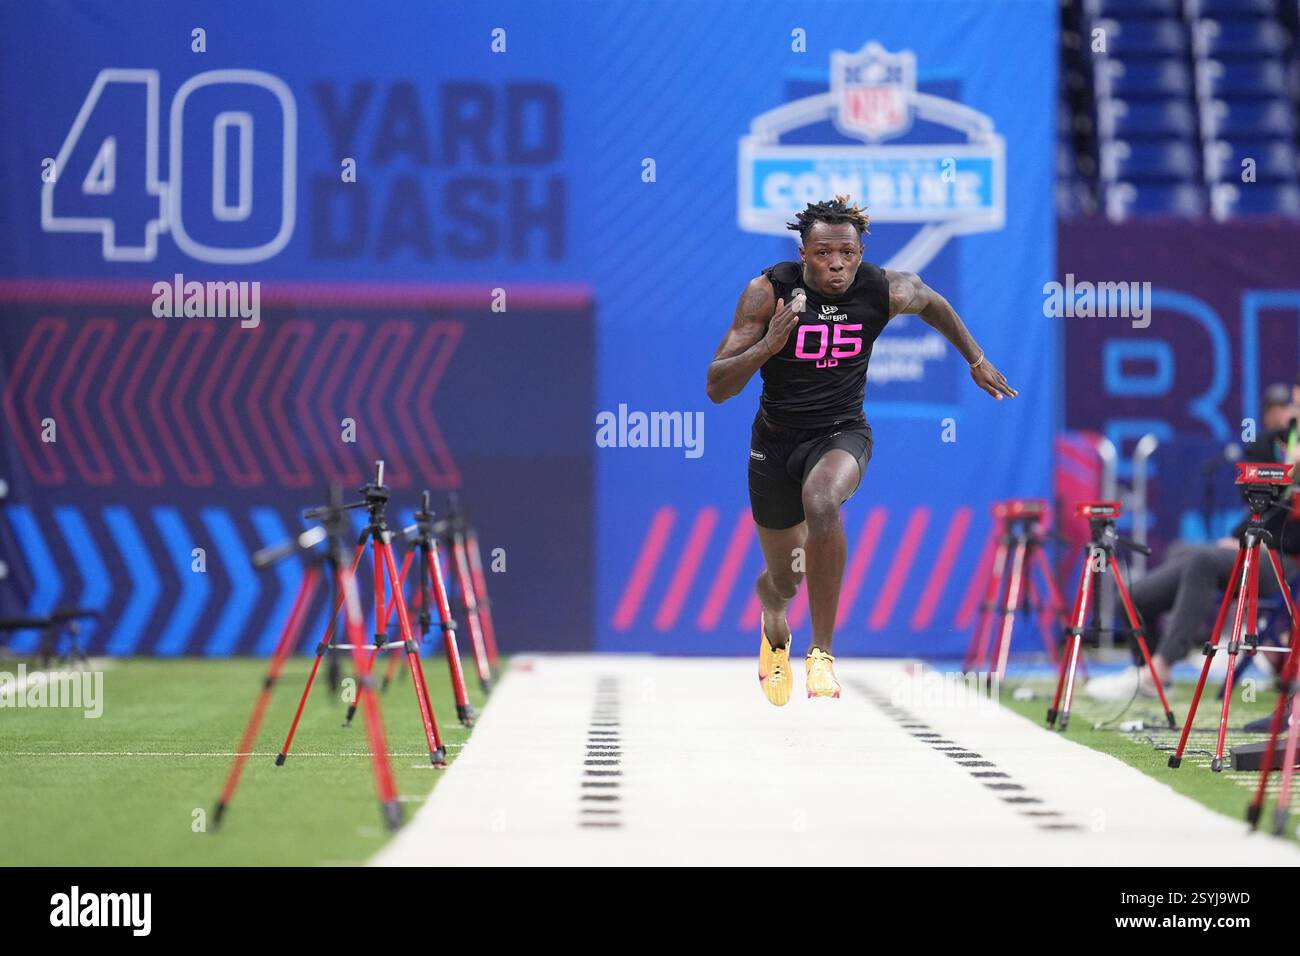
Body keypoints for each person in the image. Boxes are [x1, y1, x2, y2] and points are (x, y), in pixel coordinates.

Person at [705, 195, 1016, 705]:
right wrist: (767, 346)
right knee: (784, 579)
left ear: (860, 250)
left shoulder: (885, 287)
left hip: (842, 432)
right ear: (803, 252)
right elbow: (717, 387)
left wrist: (975, 359)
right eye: (824, 253)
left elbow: (933, 303)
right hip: (775, 443)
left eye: (847, 252)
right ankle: (774, 616)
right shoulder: (768, 292)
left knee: (823, 500)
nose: (837, 264)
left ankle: (822, 653)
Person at [1086, 409, 1300, 701]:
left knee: (1203, 561)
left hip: (1287, 561)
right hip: (1257, 546)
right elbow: (1261, 500)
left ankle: (1161, 668)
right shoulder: (1278, 441)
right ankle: (1145, 674)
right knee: (1164, 570)